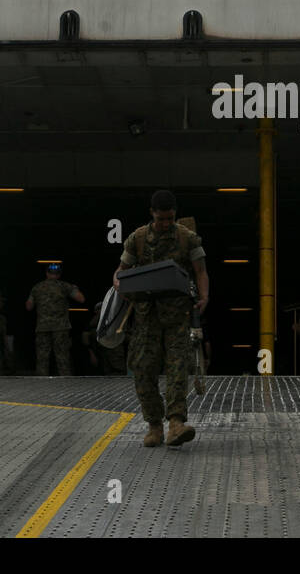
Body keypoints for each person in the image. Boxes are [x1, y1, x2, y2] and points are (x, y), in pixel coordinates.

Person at [114, 190, 209, 447]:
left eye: (170, 218)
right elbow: (120, 272)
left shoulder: (187, 238)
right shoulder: (138, 239)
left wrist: (204, 296)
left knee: (178, 369)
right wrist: (121, 287)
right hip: (146, 319)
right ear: (152, 214)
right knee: (143, 370)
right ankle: (154, 425)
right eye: (161, 219)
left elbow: (200, 271)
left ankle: (176, 424)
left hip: (177, 316)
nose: (166, 223)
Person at [26, 261, 84, 376]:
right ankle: (65, 381)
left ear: (47, 274)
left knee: (42, 356)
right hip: (60, 327)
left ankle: (42, 382)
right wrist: (75, 289)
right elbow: (81, 299)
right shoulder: (64, 286)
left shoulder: (37, 287)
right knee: (62, 355)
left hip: (43, 327)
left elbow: (28, 306)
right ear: (59, 274)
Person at [85, 301, 129, 375]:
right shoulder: (93, 324)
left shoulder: (113, 319)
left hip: (115, 352)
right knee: (107, 373)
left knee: (119, 372)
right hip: (104, 354)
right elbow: (86, 337)